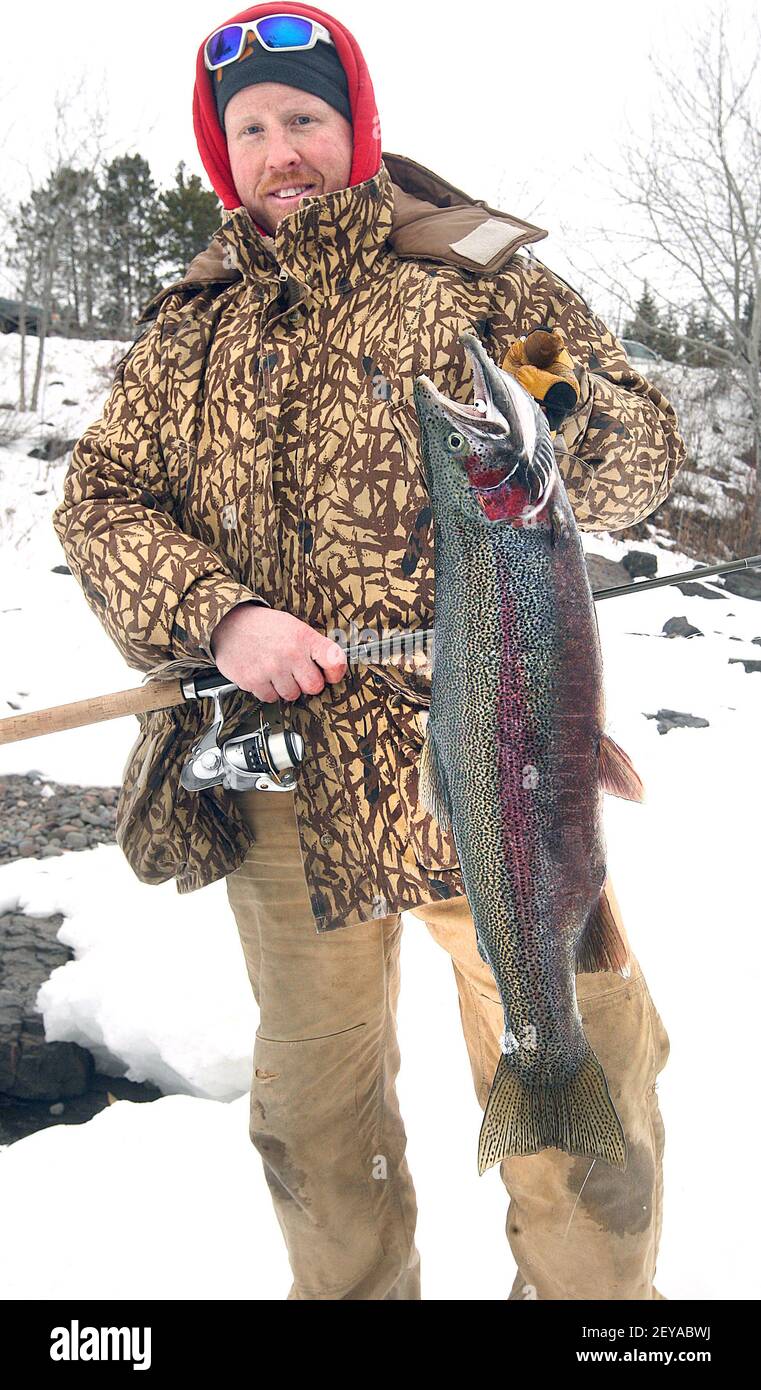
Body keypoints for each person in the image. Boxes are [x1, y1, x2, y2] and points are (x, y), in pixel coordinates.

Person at [52, 3, 683, 1300]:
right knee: (318, 1134)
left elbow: (632, 462)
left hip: (498, 759)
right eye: (253, 130)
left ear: (356, 126)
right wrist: (224, 615)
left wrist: (540, 401)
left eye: (306, 118)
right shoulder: (194, 327)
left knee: (586, 1115)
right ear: (223, 154)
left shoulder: (474, 274)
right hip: (280, 781)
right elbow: (100, 501)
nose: (282, 149)